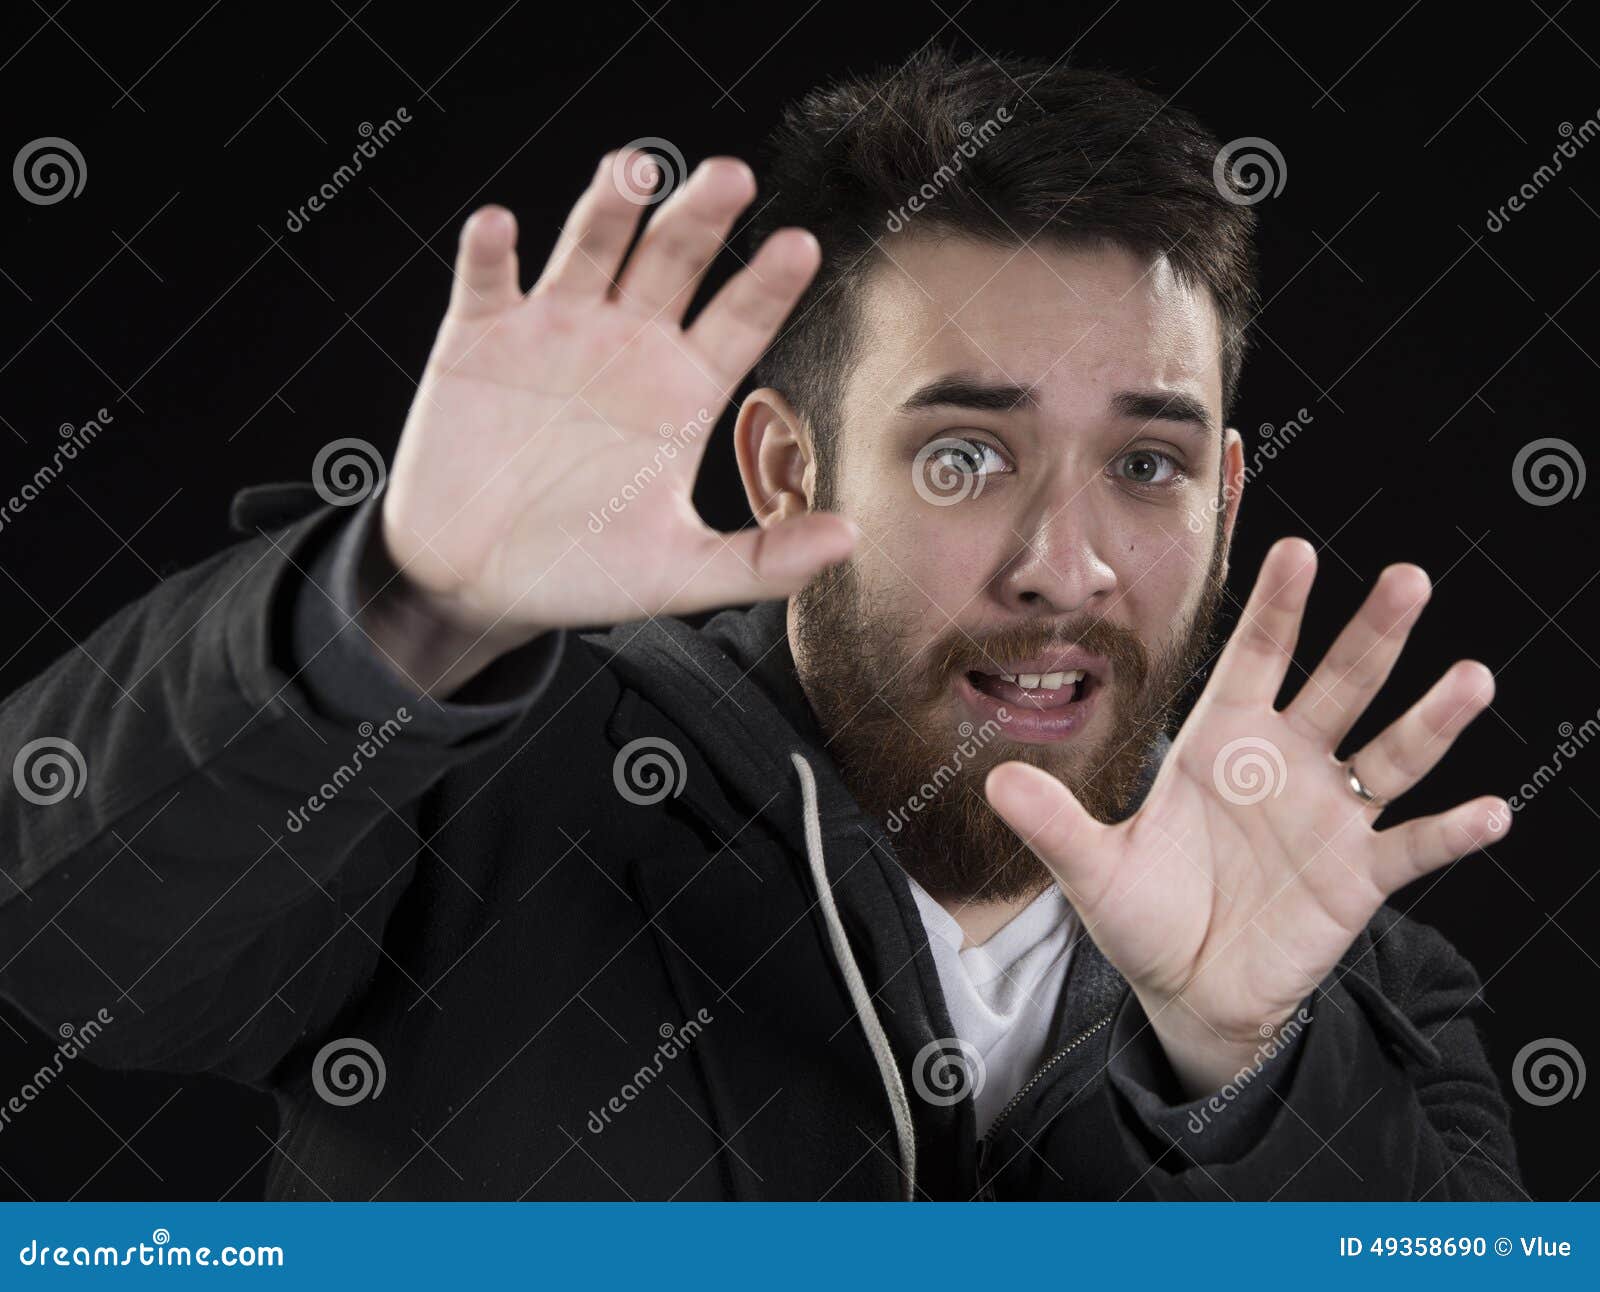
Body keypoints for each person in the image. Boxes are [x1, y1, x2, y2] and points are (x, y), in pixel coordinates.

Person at [0, 47, 1521, 1200]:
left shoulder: (1361, 988)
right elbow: (60, 952)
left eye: (1145, 465)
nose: (1066, 566)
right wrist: (407, 606)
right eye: (963, 456)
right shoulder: (468, 804)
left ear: (1225, 493)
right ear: (786, 465)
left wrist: (1246, 1070)